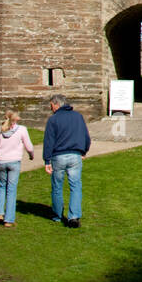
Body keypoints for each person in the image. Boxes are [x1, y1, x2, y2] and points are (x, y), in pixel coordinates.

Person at [43, 94, 90, 228]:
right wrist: (84, 151)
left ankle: (58, 215)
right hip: (75, 155)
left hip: (59, 156)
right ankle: (73, 216)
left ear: (56, 104)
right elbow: (86, 136)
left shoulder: (53, 119)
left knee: (57, 186)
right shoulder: (78, 117)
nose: (50, 108)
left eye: (51, 105)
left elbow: (48, 141)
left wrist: (47, 160)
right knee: (75, 186)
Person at [0, 111, 34, 227]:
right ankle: (9, 219)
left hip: (1, 161)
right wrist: (31, 155)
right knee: (12, 189)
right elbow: (29, 146)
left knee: (2, 187)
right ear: (16, 118)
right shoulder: (22, 129)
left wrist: (0, 152)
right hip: (14, 161)